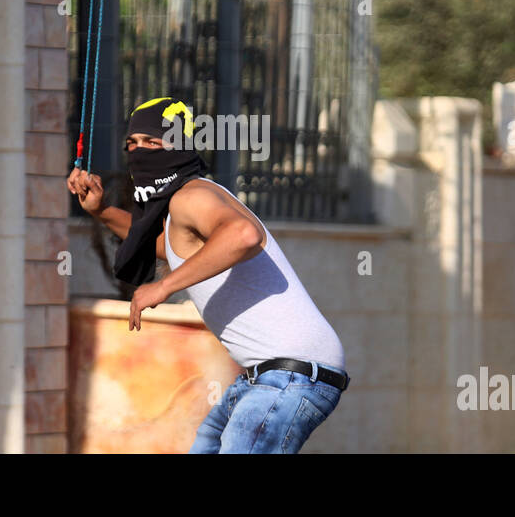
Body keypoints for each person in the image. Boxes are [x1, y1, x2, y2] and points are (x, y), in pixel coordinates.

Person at [66, 96, 349, 454]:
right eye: (132, 143)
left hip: (290, 375)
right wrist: (103, 210)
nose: (139, 151)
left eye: (152, 142)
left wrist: (162, 286)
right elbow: (164, 245)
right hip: (267, 375)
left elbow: (244, 235)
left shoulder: (192, 196)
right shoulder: (182, 205)